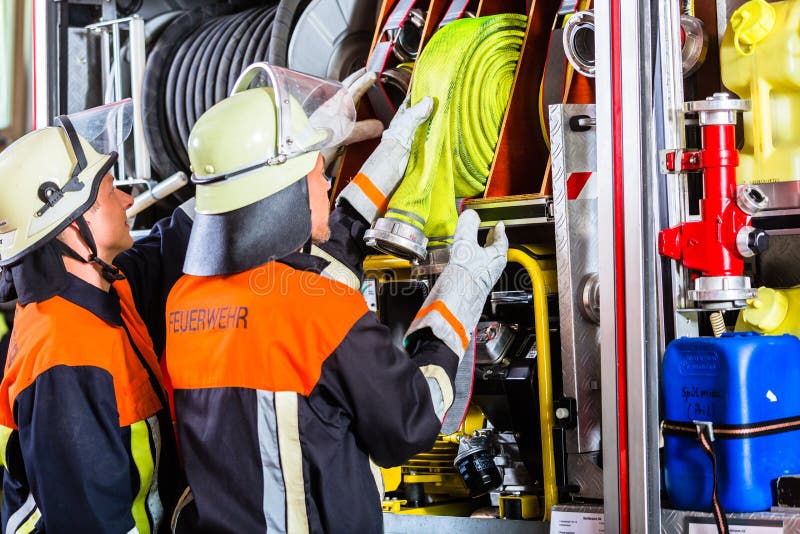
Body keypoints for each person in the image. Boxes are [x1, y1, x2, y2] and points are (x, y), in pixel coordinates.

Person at [165, 64, 509, 533]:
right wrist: (462, 291)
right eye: (317, 174)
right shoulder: (320, 310)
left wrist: (391, 157)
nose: (328, 183)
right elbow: (409, 423)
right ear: (282, 195)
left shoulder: (184, 301)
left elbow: (298, 270)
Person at [0, 100, 191, 533]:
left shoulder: (99, 288)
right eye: (108, 190)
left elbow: (167, 246)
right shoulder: (65, 360)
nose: (127, 199)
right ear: (71, 223)